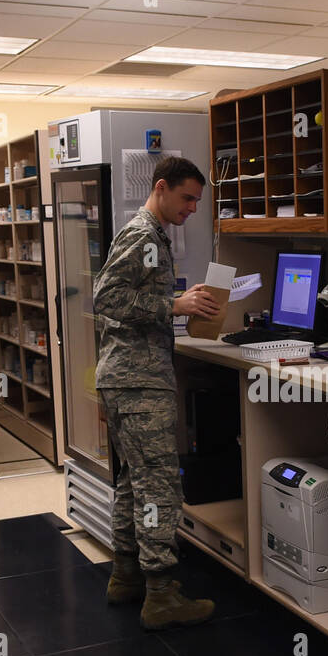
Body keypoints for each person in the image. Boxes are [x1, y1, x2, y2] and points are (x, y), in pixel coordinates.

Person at [95, 156, 223, 630]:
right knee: (158, 485)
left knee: (133, 481)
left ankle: (127, 576)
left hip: (128, 377)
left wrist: (185, 308)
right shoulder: (142, 234)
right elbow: (105, 297)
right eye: (187, 198)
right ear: (162, 187)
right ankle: (162, 594)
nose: (192, 208)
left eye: (197, 201)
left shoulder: (152, 235)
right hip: (137, 381)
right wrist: (173, 304)